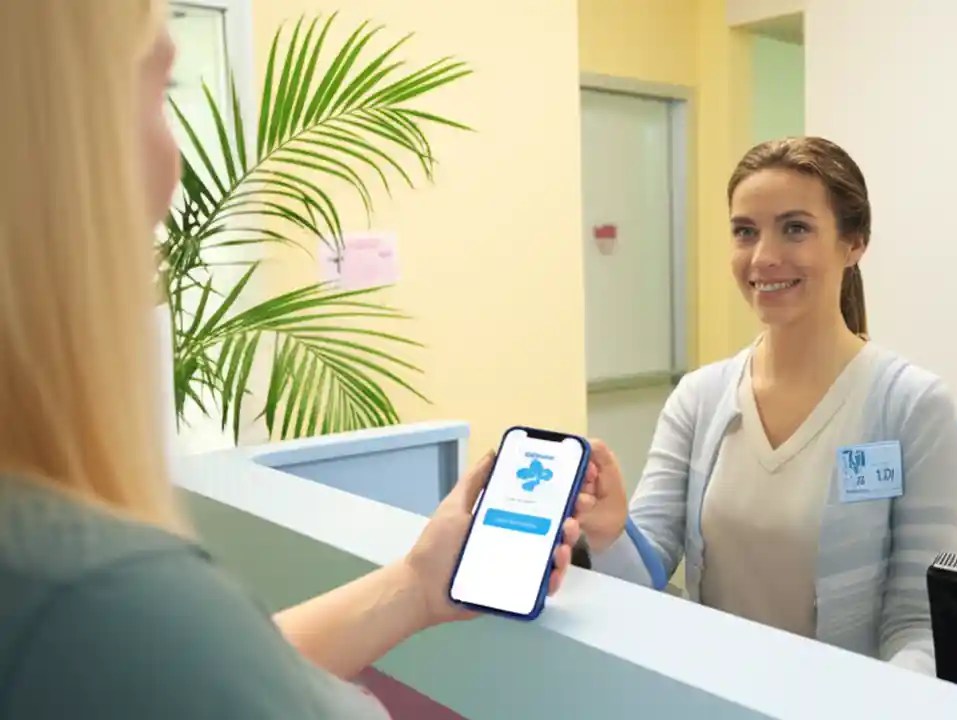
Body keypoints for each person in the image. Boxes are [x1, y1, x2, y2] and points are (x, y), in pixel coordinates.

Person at [0, 2, 580, 717]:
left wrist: (418, 584)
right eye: (160, 92)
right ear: (49, 139)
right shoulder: (90, 596)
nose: (173, 172)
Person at [575, 136, 957, 674]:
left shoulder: (910, 405)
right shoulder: (700, 398)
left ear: (854, 243)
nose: (763, 257)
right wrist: (609, 533)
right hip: (708, 699)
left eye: (795, 228)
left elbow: (918, 626)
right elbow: (642, 581)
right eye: (745, 231)